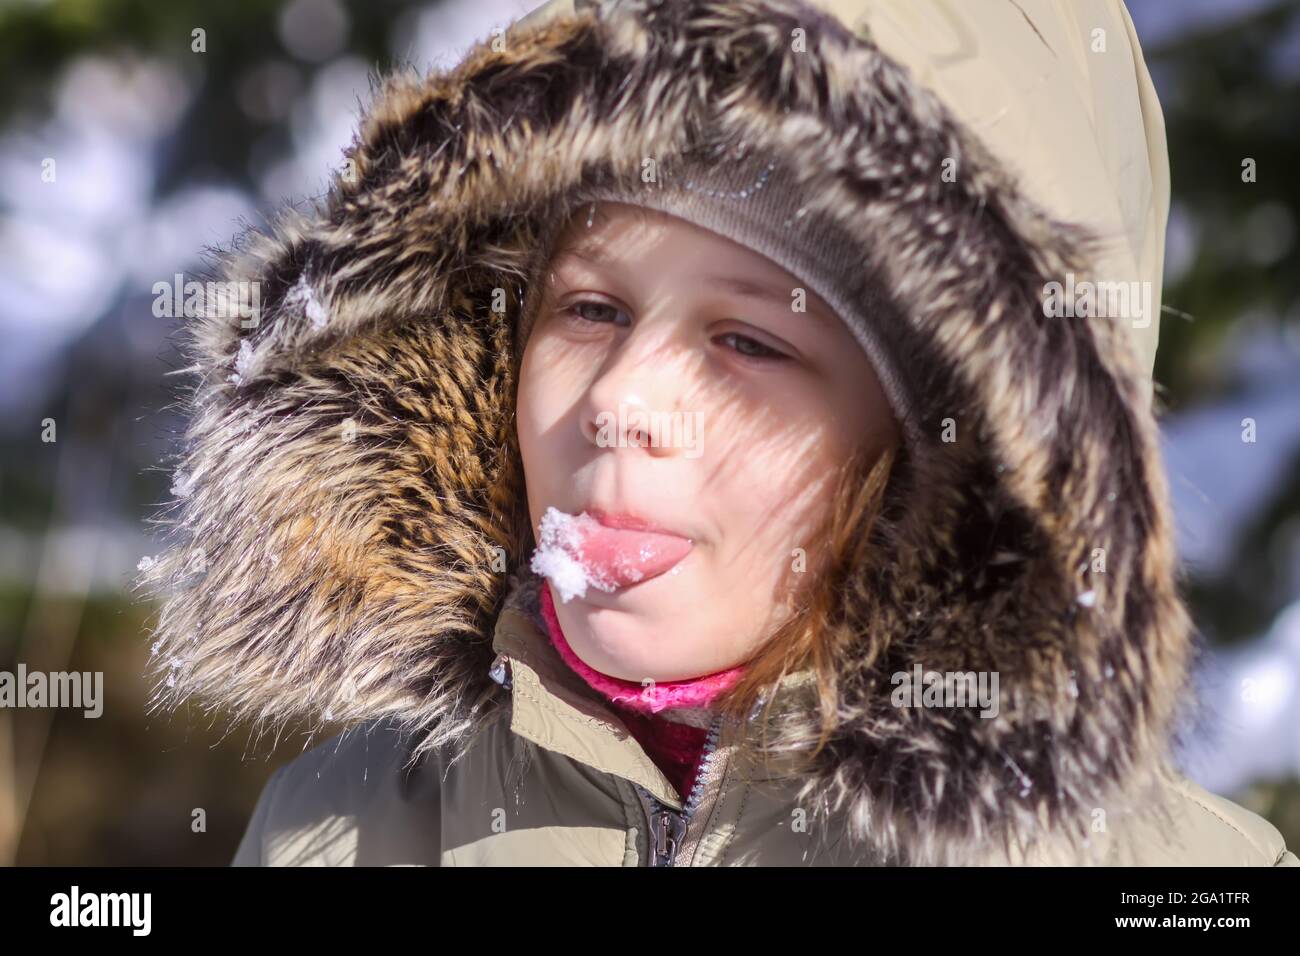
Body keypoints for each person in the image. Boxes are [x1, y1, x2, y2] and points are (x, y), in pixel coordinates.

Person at [141, 0, 1296, 865]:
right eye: (590, 309)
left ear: (945, 470)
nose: (619, 400)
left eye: (750, 342)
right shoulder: (333, 832)